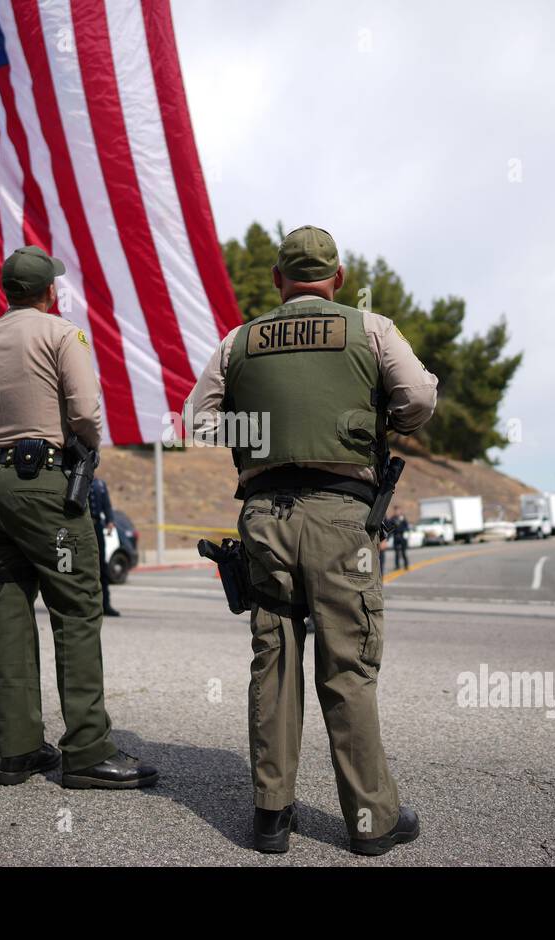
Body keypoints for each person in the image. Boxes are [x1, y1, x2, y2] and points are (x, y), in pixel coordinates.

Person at [187, 225, 438, 856]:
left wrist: (259, 435)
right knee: (346, 665)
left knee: (273, 659)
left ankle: (271, 817)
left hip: (265, 515)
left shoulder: (238, 340)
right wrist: (375, 419)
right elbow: (419, 399)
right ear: (338, 278)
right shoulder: (371, 329)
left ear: (276, 280)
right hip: (339, 518)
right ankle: (370, 822)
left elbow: (197, 421)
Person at [0, 244, 157, 790]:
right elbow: (86, 412)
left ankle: (18, 749)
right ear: (50, 291)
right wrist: (85, 448)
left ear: (6, 291)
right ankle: (88, 749)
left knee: (11, 604)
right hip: (45, 483)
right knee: (76, 604)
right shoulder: (62, 334)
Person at [88, 477, 120, 617]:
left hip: (97, 527)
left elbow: (107, 505)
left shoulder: (99, 484)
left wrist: (110, 520)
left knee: (102, 567)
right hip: (82, 526)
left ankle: (105, 604)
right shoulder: (76, 478)